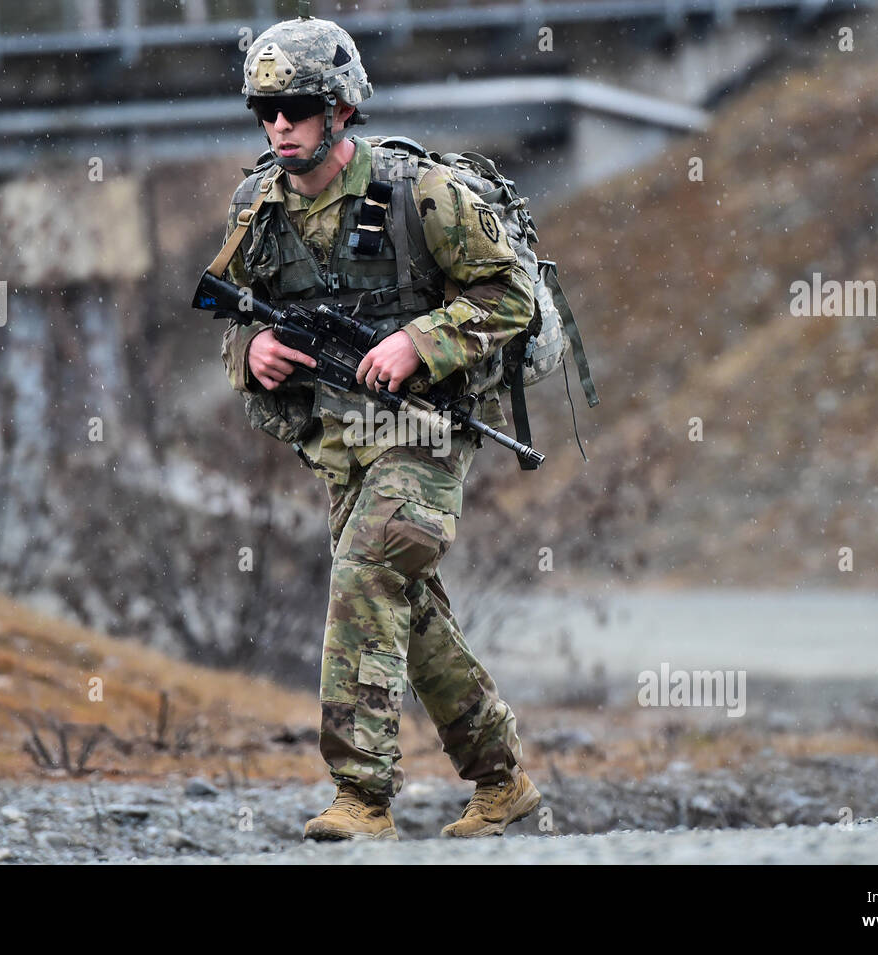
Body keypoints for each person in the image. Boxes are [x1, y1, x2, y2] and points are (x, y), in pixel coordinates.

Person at [214, 14, 540, 840]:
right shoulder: (258, 208)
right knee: (410, 605)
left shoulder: (424, 196)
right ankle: (503, 783)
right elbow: (233, 317)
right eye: (265, 109)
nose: (278, 124)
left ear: (341, 110)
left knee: (364, 573)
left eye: (295, 106)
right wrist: (254, 352)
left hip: (433, 429)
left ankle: (362, 797)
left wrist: (417, 340)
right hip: (340, 441)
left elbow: (512, 299)